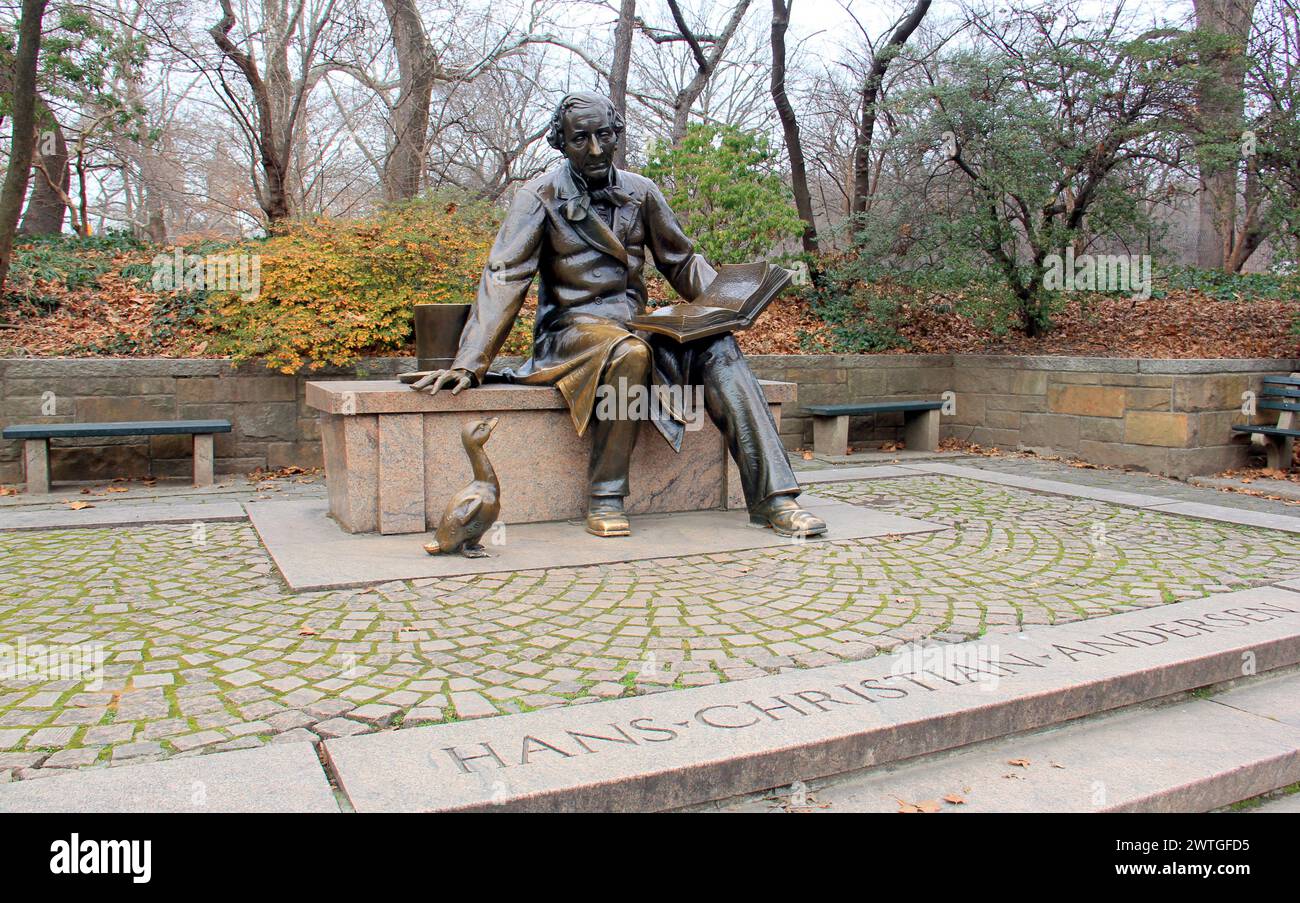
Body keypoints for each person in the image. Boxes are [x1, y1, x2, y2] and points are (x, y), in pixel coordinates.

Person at [403, 91, 826, 540]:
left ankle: (775, 499)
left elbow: (680, 261)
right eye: (581, 139)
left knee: (719, 345)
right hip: (571, 330)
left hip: (634, 324)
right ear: (561, 143)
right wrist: (470, 360)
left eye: (604, 135)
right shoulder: (540, 196)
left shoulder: (641, 191)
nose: (596, 149)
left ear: (617, 133)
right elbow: (505, 275)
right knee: (628, 352)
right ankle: (605, 494)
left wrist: (726, 304)